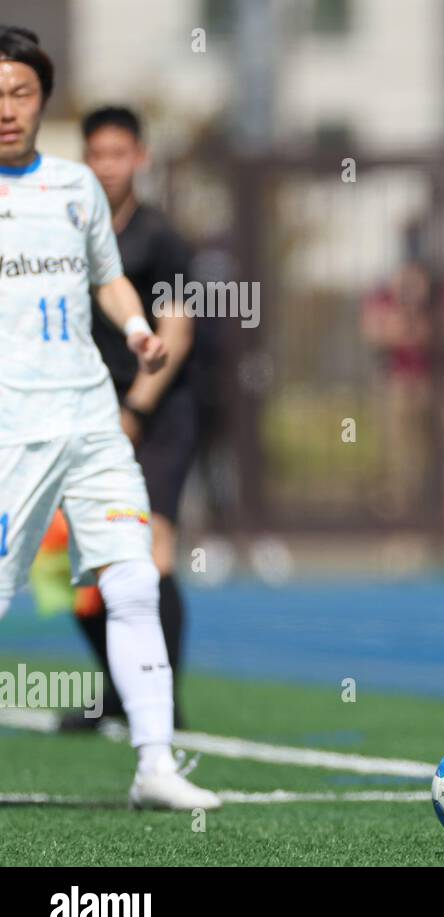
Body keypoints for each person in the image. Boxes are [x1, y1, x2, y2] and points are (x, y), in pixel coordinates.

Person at [0, 26, 218, 809]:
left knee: (130, 581)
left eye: (21, 92)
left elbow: (109, 279)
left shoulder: (74, 187)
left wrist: (133, 328)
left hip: (92, 421)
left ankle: (155, 762)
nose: (7, 109)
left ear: (42, 100)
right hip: (10, 430)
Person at [55, 105, 198, 733]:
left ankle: (161, 705)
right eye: (97, 154)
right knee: (74, 563)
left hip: (158, 412)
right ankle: (117, 691)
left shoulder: (162, 237)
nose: (108, 166)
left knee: (154, 547)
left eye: (119, 154)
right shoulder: (71, 231)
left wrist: (136, 408)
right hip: (87, 410)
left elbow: (177, 330)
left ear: (139, 157)